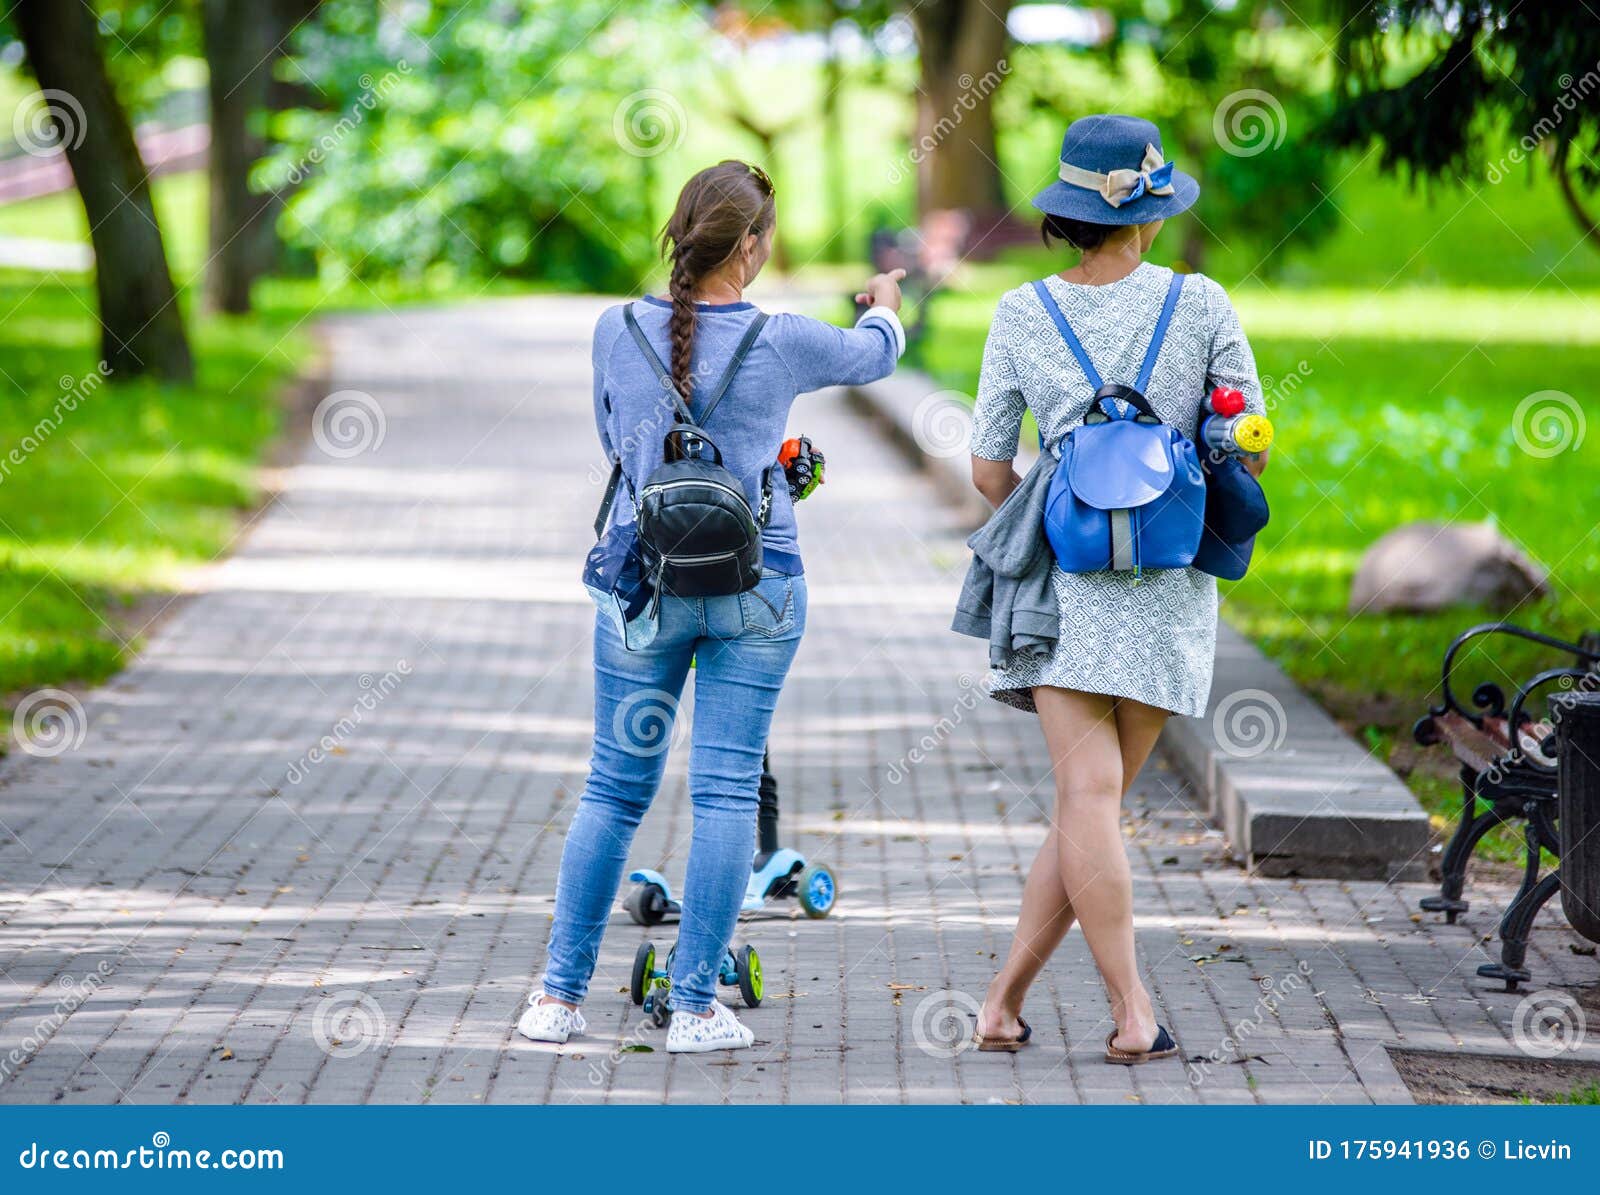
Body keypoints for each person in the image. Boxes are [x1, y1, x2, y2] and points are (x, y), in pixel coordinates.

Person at [519, 160, 905, 1054]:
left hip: (642, 587)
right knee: (726, 789)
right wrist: (883, 296)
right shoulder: (784, 338)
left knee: (613, 789)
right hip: (757, 589)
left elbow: (618, 441)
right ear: (754, 246)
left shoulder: (616, 329)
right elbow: (879, 351)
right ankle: (694, 1007)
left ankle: (556, 999)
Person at [959, 115, 1268, 1063]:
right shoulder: (1202, 301)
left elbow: (984, 469)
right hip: (1170, 586)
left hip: (1067, 592)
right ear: (1148, 212)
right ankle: (1134, 1010)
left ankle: (1003, 1002)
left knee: (1082, 806)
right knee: (1093, 805)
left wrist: (1058, 518)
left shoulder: (1020, 312)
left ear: (1064, 216)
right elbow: (1249, 432)